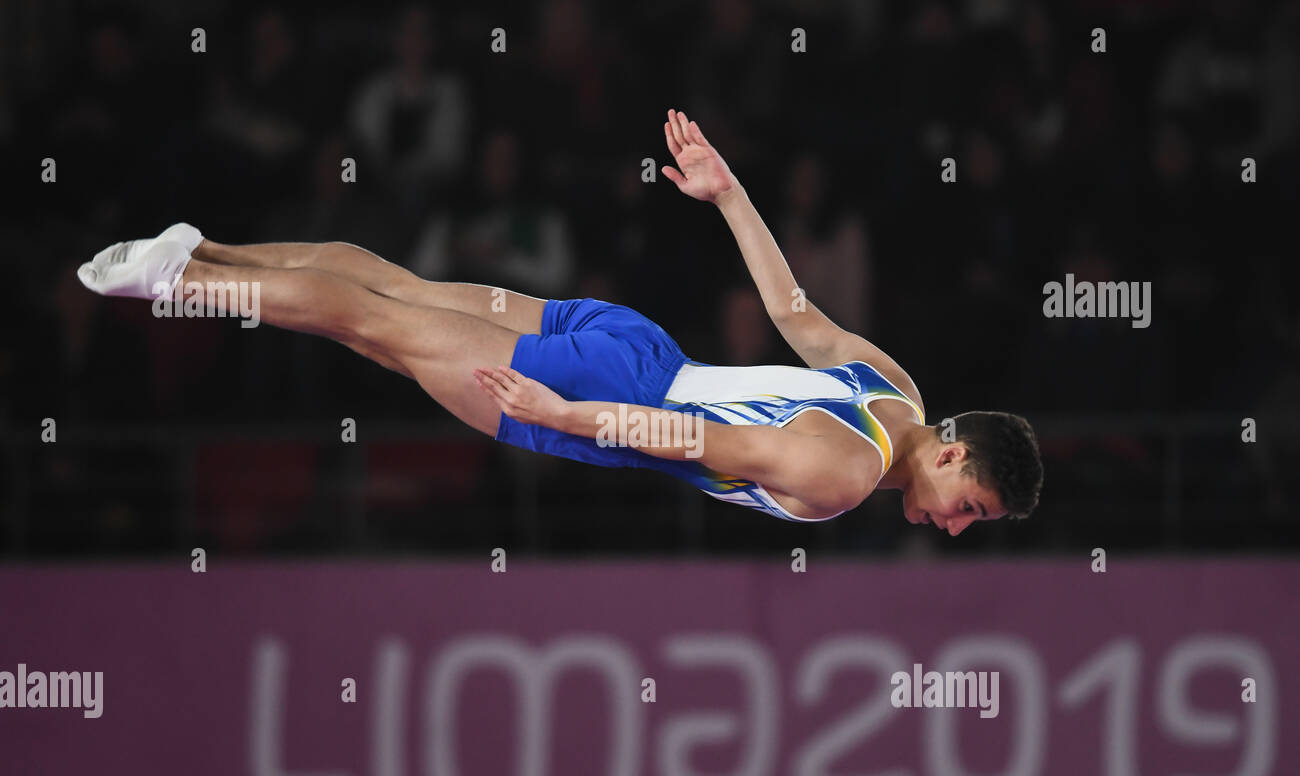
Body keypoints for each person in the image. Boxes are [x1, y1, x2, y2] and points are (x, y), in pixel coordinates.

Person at [78, 110, 1041, 532]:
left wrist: (729, 194)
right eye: (972, 512)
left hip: (641, 341)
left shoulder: (898, 389)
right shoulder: (843, 477)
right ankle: (184, 282)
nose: (953, 527)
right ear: (954, 458)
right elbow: (679, 437)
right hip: (612, 396)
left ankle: (200, 253)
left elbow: (792, 312)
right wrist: (564, 413)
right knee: (370, 327)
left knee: (400, 290)